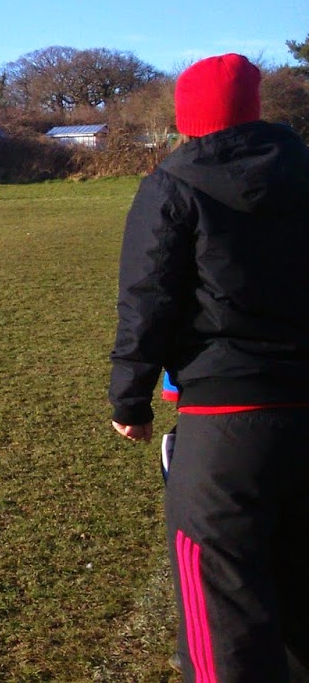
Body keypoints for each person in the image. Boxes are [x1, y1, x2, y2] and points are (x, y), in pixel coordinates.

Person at [109, 53, 309, 680]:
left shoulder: (173, 183)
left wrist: (129, 398)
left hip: (226, 425)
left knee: (221, 605)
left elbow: (148, 297)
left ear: (187, 118)